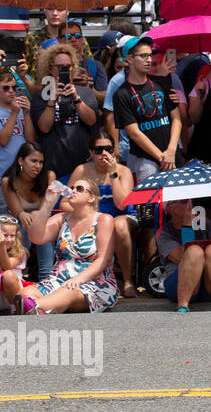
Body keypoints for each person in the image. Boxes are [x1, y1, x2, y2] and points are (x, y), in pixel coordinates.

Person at [21, 176, 116, 315]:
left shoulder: (104, 219)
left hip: (92, 282)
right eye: (72, 188)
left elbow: (104, 259)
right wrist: (48, 204)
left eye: (79, 188)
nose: (73, 191)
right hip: (57, 280)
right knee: (24, 294)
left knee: (67, 291)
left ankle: (37, 308)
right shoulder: (62, 218)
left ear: (91, 198)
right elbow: (35, 237)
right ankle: (41, 309)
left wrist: (78, 279)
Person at [67, 131, 136, 298]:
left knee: (118, 225)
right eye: (98, 150)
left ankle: (128, 280)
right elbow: (67, 201)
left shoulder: (124, 171)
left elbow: (122, 205)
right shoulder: (81, 170)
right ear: (91, 152)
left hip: (123, 217)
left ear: (113, 151)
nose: (104, 154)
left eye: (108, 149)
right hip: (93, 218)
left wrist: (113, 175)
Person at [112, 34, 182, 178]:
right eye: (143, 56)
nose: (149, 60)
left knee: (181, 200)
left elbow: (176, 119)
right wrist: (162, 157)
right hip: (146, 159)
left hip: (172, 154)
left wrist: (171, 150)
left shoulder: (161, 82)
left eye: (149, 55)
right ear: (129, 59)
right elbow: (134, 133)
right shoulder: (121, 94)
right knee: (151, 200)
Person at [30, 43, 99, 181]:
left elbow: (91, 120)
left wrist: (76, 98)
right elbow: (44, 127)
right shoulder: (40, 97)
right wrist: (51, 100)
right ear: (51, 69)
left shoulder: (85, 92)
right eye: (60, 67)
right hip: (54, 168)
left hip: (83, 165)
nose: (65, 70)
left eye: (68, 66)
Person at [155, 197, 211, 311]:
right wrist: (187, 228)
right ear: (169, 208)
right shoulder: (163, 233)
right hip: (180, 285)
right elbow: (182, 257)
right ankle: (183, 305)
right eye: (184, 201)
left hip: (208, 285)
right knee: (194, 251)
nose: (190, 203)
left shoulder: (204, 223)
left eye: (191, 200)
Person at [2, 141, 53, 279]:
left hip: (42, 222)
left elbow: (45, 210)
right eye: (33, 161)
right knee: (26, 224)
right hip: (19, 222)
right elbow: (18, 212)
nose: (38, 166)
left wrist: (36, 216)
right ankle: (18, 270)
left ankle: (45, 277)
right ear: (21, 160)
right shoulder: (8, 181)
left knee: (41, 224)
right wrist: (27, 216)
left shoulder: (49, 177)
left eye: (41, 162)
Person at [0, 69, 36, 181]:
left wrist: (26, 114)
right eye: (6, 88)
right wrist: (14, 113)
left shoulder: (20, 109)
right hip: (3, 175)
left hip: (23, 175)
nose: (11, 91)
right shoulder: (15, 111)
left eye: (14, 88)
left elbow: (30, 141)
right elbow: (3, 141)